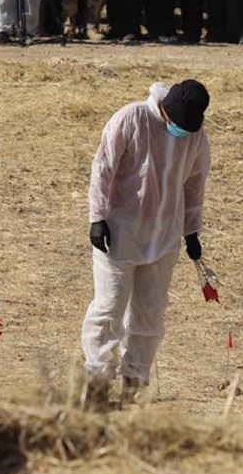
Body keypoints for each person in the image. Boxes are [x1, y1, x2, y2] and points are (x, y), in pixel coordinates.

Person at [83, 80, 211, 405]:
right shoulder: (131, 118)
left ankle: (134, 384)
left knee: (150, 315)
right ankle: (97, 383)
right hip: (119, 234)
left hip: (164, 237)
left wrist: (191, 231)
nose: (181, 132)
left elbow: (195, 184)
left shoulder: (195, 135)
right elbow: (103, 168)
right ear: (165, 110)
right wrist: (97, 218)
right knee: (109, 308)